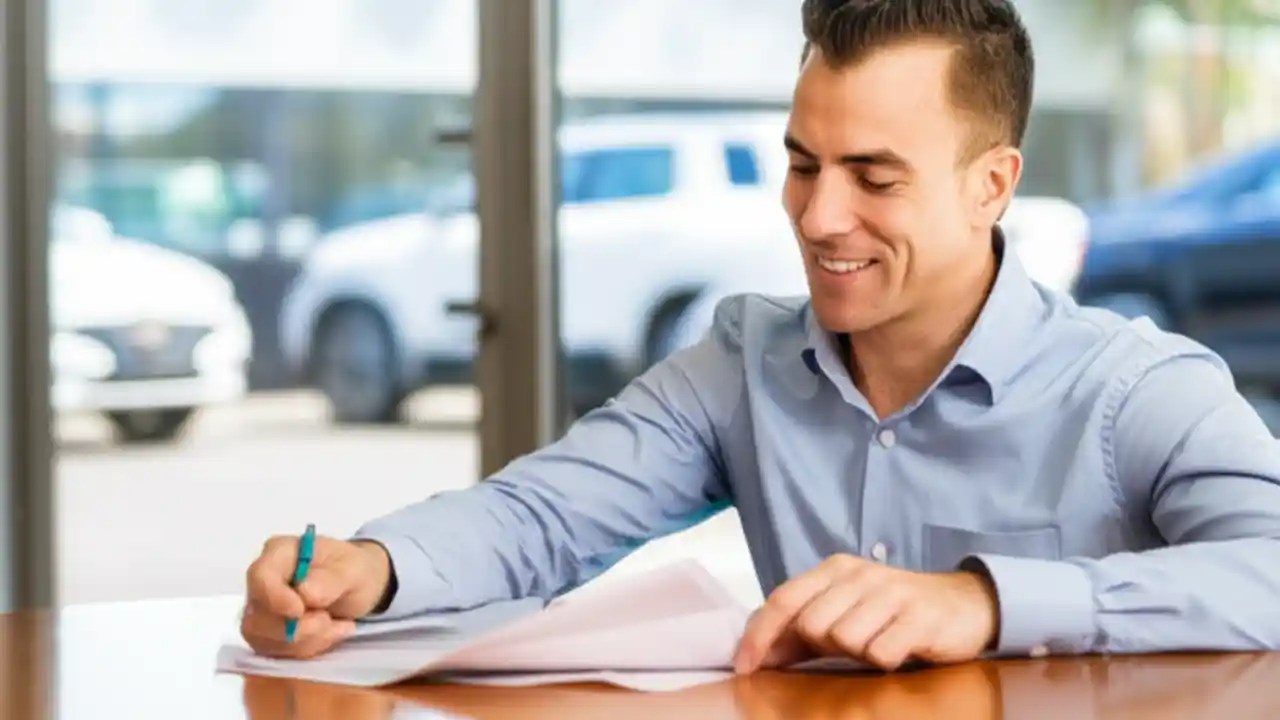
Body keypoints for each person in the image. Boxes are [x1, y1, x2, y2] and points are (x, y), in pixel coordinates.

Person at [241, 0, 1280, 671]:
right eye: (801, 164)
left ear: (989, 186)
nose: (818, 216)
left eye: (872, 177)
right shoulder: (739, 366)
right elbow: (540, 516)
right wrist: (371, 568)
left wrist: (988, 603)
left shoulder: (1134, 387)